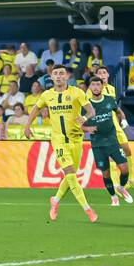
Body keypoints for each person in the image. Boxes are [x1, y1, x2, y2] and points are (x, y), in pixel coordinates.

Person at [23, 65, 97, 223]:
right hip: (58, 140)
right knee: (70, 174)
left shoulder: (77, 92)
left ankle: (55, 201)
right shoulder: (47, 95)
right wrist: (27, 125)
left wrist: (84, 118)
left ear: (67, 76)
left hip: (76, 139)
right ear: (51, 76)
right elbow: (36, 109)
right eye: (55, 73)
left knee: (71, 177)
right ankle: (88, 209)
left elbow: (91, 111)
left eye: (61, 73)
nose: (58, 76)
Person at [81, 74, 132, 207]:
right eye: (93, 85)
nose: (96, 87)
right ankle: (113, 196)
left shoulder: (109, 100)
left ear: (102, 86)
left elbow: (119, 111)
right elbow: (78, 124)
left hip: (112, 141)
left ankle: (121, 187)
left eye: (98, 84)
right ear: (89, 87)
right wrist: (87, 128)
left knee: (125, 169)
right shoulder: (86, 105)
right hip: (98, 145)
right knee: (106, 173)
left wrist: (124, 120)